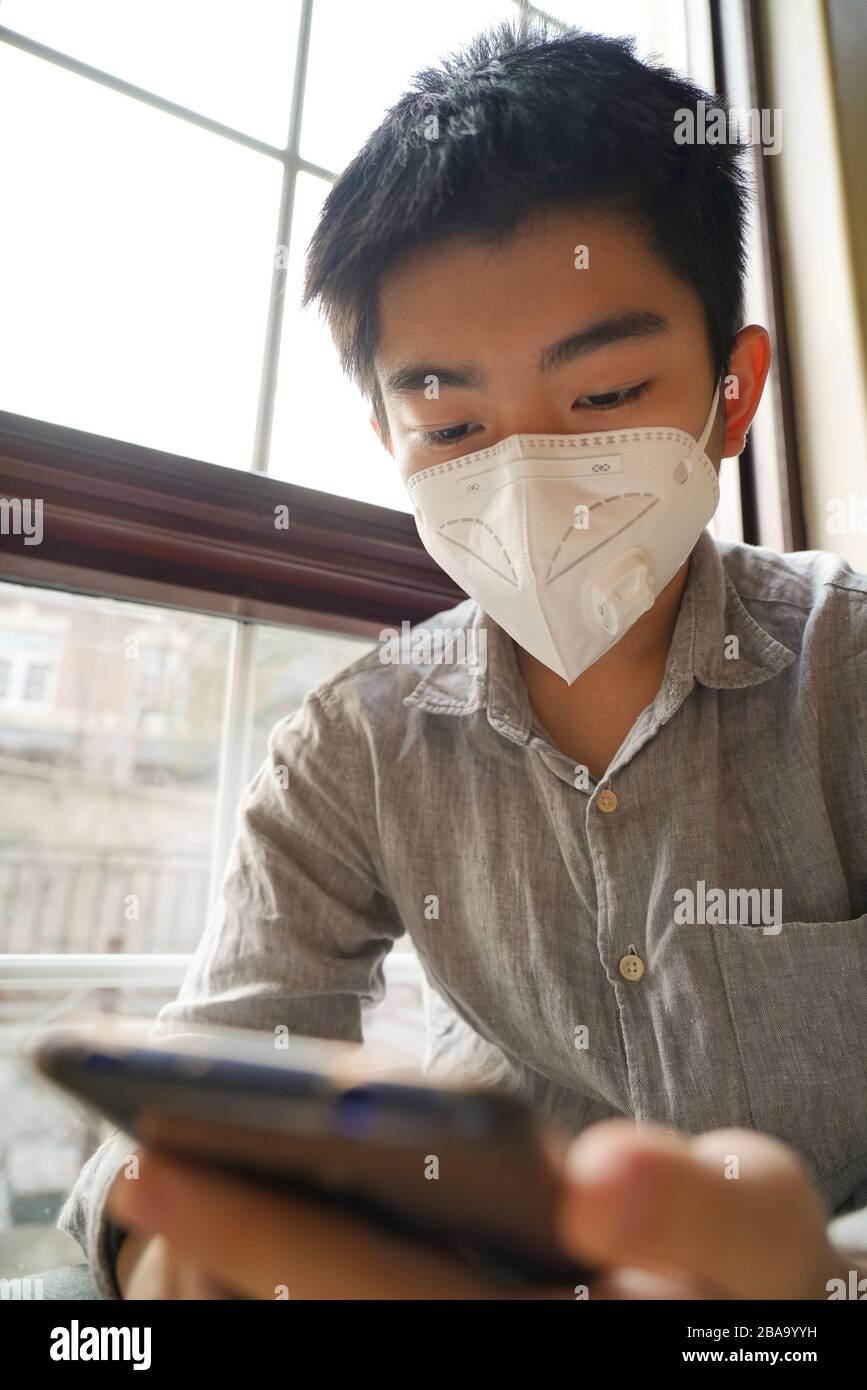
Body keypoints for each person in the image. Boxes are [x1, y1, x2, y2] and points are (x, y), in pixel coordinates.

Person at [60, 15, 867, 1300]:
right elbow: (201, 1075)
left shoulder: (851, 672)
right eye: (452, 423)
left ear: (735, 389)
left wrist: (819, 1285)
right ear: (387, 437)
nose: (533, 481)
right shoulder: (353, 748)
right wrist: (178, 1252)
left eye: (604, 399)